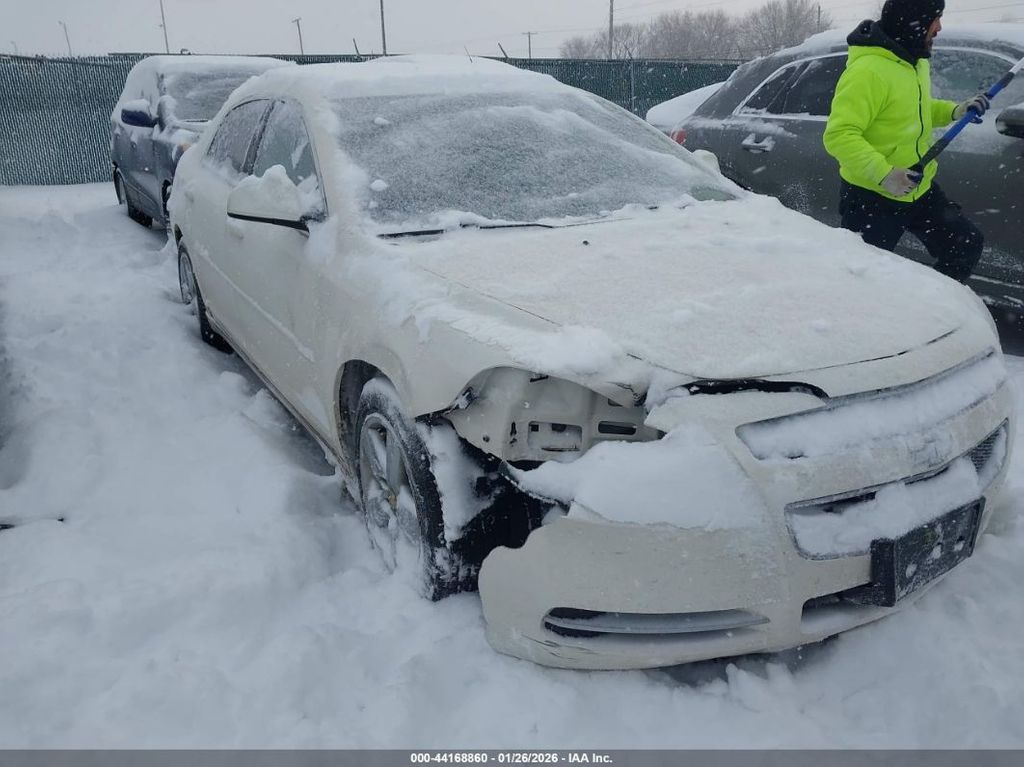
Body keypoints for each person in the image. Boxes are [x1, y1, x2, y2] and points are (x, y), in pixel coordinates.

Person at [823, 0, 991, 283]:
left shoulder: (914, 63)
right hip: (872, 198)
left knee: (964, 244)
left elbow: (917, 110)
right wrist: (885, 174)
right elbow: (839, 135)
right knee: (860, 281)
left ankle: (930, 308)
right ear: (913, 21)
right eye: (935, 19)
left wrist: (955, 110)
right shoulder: (868, 72)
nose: (938, 28)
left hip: (917, 187)